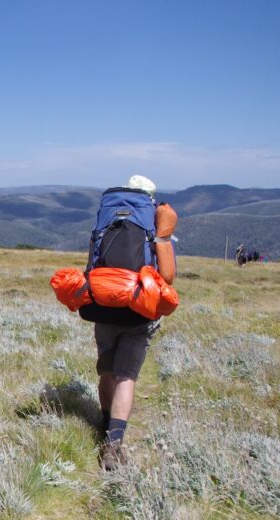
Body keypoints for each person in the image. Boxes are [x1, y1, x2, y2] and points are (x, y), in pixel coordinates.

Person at [92, 175, 175, 470]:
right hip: (139, 310)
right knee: (126, 376)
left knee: (107, 368)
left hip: (103, 304)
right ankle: (113, 445)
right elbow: (167, 277)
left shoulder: (108, 218)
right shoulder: (154, 227)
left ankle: (103, 423)